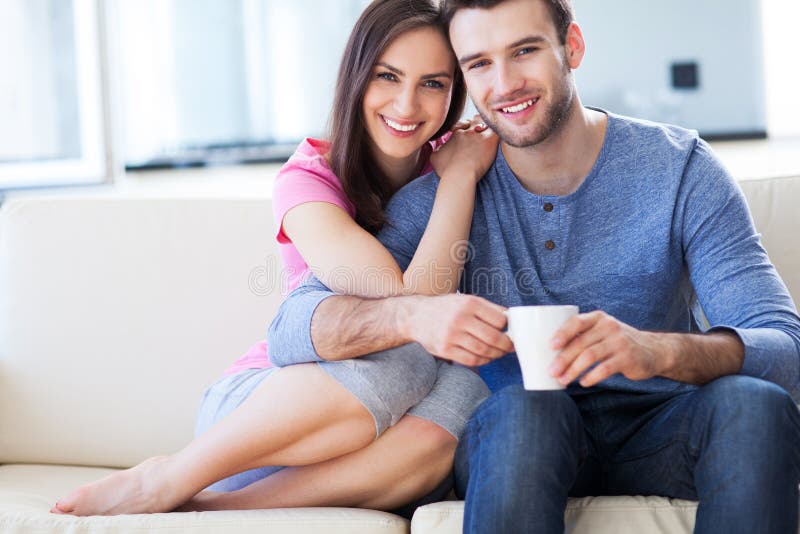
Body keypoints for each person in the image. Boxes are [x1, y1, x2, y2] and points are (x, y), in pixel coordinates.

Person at [266, 0, 800, 532]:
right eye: (478, 63)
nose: (505, 83)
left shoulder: (679, 168)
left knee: (753, 407)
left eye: (524, 50)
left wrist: (658, 349)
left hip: (663, 428)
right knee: (530, 411)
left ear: (572, 47)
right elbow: (292, 325)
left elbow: (784, 346)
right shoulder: (443, 193)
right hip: (515, 438)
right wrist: (407, 318)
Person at [50, 0, 506, 516]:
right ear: (356, 77)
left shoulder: (456, 152)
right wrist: (459, 180)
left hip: (383, 440)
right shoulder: (309, 178)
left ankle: (217, 509)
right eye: (387, 76)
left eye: (433, 83)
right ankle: (169, 477)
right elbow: (412, 307)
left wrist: (463, 164)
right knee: (405, 357)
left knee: (472, 392)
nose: (406, 105)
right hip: (266, 416)